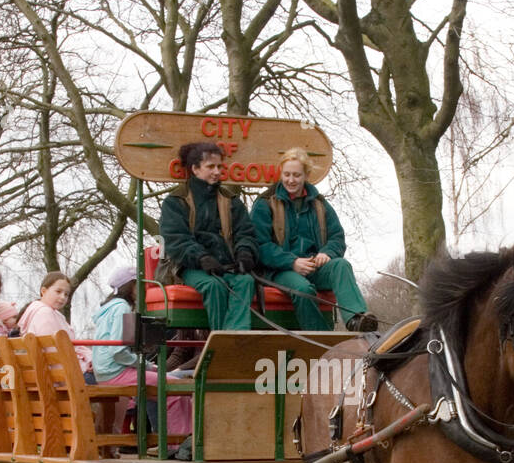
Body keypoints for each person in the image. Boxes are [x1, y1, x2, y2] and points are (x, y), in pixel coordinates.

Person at [251, 147, 377, 332]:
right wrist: (292, 262)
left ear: (306, 175)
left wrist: (327, 253)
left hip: (314, 266)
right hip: (279, 270)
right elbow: (259, 245)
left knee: (341, 265)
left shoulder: (319, 204)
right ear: (281, 173)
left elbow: (337, 237)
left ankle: (356, 319)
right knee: (303, 290)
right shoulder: (265, 203)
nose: (291, 180)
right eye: (287, 174)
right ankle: (321, 339)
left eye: (296, 175)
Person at [91, 263, 194, 448]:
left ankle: (178, 440)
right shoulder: (122, 308)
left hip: (106, 373)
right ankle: (178, 445)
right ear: (131, 285)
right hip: (117, 372)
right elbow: (118, 351)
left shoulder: (108, 308)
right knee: (177, 388)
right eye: (140, 284)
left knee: (166, 383)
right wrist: (146, 365)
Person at [159, 142, 260, 330]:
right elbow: (176, 239)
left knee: (245, 281)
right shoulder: (175, 202)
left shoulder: (231, 201)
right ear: (195, 169)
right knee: (214, 286)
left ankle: (235, 337)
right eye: (211, 167)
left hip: (226, 265)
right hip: (188, 267)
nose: (217, 172)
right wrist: (202, 257)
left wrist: (244, 253)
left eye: (219, 167)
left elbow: (245, 232)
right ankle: (220, 338)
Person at [18, 271, 96, 382]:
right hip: (63, 378)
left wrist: (89, 359)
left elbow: (71, 347)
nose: (62, 297)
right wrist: (84, 366)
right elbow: (54, 354)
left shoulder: (51, 314)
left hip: (59, 374)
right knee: (112, 377)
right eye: (58, 291)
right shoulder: (45, 314)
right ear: (43, 291)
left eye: (66, 294)